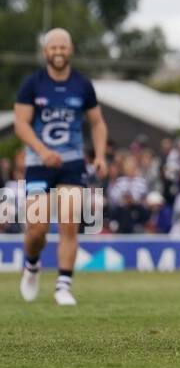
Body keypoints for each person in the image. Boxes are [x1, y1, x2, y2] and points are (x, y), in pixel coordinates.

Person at [14, 29, 108, 306]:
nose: (58, 52)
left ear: (71, 50)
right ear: (45, 51)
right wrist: (42, 151)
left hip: (72, 162)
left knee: (69, 221)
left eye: (62, 47)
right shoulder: (32, 84)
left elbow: (97, 122)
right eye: (52, 47)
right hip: (38, 163)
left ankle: (63, 285)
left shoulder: (82, 85)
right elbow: (21, 123)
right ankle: (31, 265)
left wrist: (100, 155)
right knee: (37, 229)